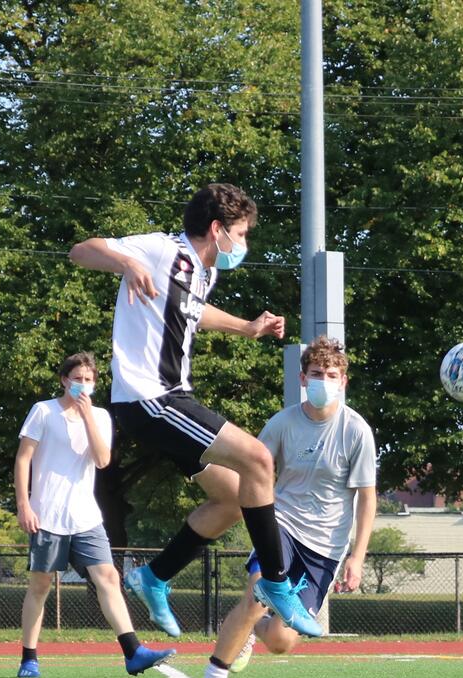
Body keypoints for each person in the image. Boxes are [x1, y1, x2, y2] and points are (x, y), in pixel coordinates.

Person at [69, 182, 318, 640]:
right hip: (152, 400)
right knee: (258, 460)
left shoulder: (202, 273)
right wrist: (126, 262)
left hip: (168, 399)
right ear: (218, 229)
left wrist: (247, 327)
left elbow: (193, 311)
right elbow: (81, 251)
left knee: (233, 498)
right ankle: (277, 583)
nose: (243, 244)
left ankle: (154, 576)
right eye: (241, 234)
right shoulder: (162, 249)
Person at [189, 337, 376, 678]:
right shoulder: (282, 423)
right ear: (303, 378)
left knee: (281, 640)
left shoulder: (356, 431)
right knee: (255, 596)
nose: (324, 380)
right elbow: (252, 471)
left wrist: (357, 557)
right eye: (317, 373)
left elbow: (367, 498)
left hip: (324, 547)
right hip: (282, 525)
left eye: (332, 375)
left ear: (344, 381)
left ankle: (252, 632)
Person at [14, 352, 175, 678]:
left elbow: (102, 460)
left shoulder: (100, 416)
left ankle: (133, 652)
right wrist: (24, 505)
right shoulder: (43, 411)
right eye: (77, 379)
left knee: (109, 577)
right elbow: (23, 459)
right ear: (64, 380)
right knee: (40, 586)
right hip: (47, 515)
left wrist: (87, 417)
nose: (83, 385)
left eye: (88, 380)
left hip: (86, 517)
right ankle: (29, 658)